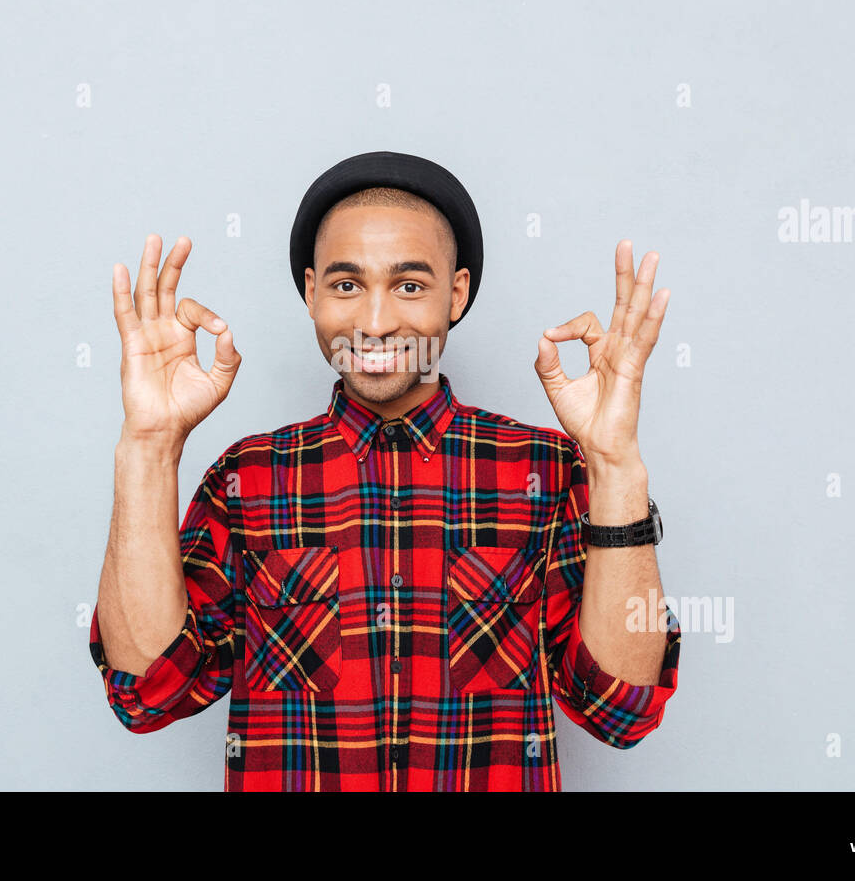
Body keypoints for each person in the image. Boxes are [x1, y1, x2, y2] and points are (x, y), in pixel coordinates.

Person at [89, 151, 681, 791]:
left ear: (455, 294)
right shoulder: (246, 480)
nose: (374, 322)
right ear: (312, 292)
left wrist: (616, 462)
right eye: (347, 285)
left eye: (409, 285)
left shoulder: (546, 472)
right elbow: (148, 692)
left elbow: (622, 708)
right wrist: (148, 444)